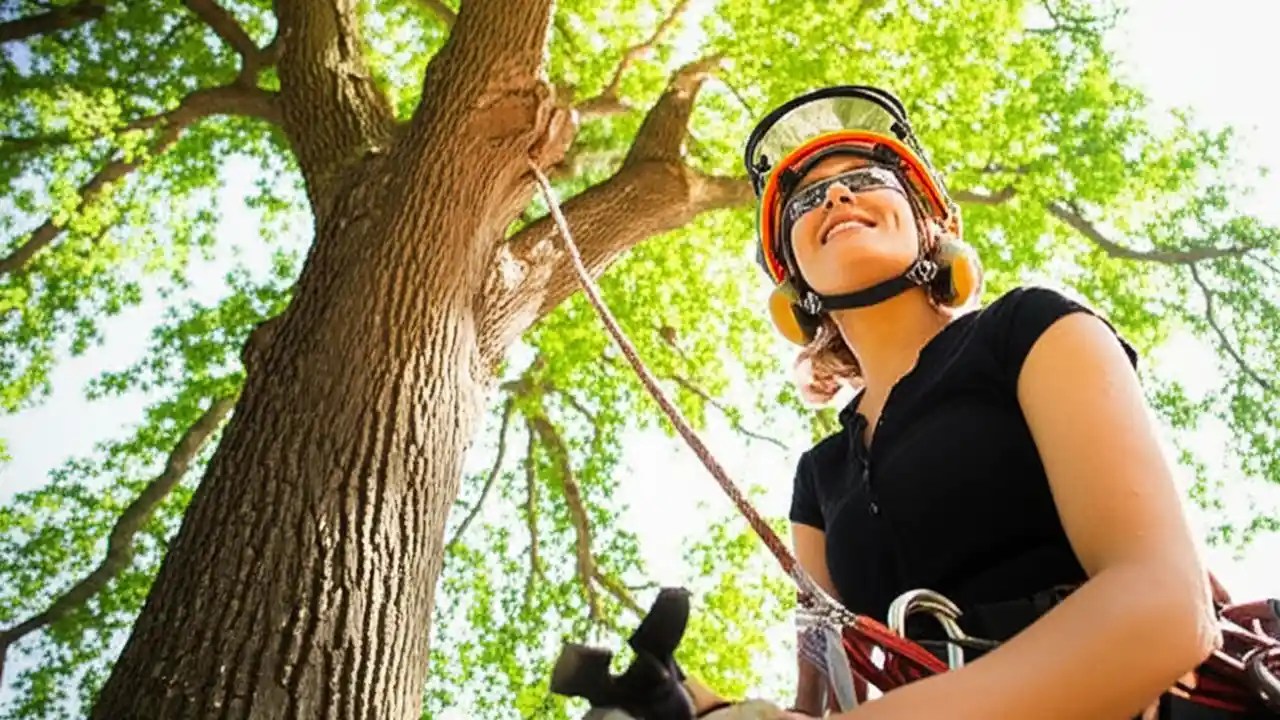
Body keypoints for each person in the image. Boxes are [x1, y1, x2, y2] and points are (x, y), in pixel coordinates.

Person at [684, 85, 1223, 720]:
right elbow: (823, 702)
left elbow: (1166, 608)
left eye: (866, 178)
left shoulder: (1029, 329)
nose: (835, 196)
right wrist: (714, 711)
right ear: (794, 286)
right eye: (806, 199)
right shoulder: (819, 477)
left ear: (933, 226)